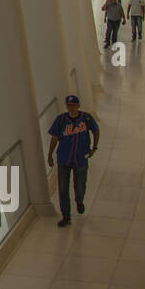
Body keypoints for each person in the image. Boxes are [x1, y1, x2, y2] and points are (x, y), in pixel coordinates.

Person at [45, 94, 99, 228]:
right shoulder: (61, 120)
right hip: (64, 159)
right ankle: (66, 216)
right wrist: (50, 155)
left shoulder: (86, 118)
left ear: (78, 106)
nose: (71, 108)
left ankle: (79, 201)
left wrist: (94, 148)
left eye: (73, 106)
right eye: (69, 106)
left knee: (80, 186)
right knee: (63, 188)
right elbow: (54, 138)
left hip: (81, 159)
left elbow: (96, 130)